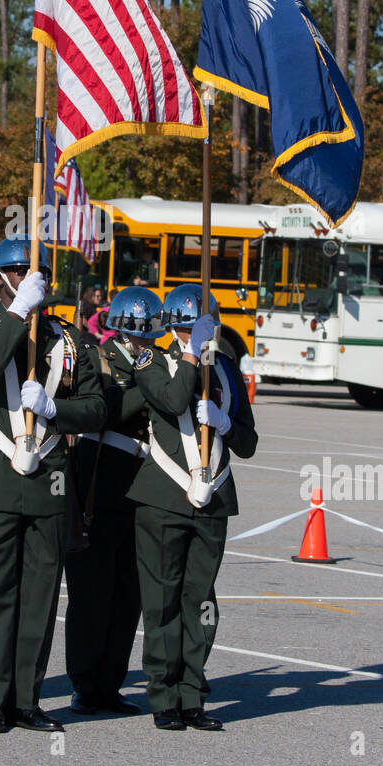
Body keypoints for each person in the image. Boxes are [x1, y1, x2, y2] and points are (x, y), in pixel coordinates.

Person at [0, 238, 106, 734]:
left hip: (49, 481)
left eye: (30, 270)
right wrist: (17, 312)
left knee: (40, 593)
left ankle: (26, 697)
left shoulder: (71, 339)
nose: (22, 275)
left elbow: (99, 408)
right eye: (13, 270)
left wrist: (57, 409)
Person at [128, 284, 257, 731]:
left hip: (214, 497)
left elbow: (249, 442)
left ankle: (192, 695)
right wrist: (189, 355)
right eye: (186, 329)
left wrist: (224, 423)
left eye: (201, 327)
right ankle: (164, 697)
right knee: (162, 598)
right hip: (164, 496)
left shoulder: (225, 369)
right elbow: (171, 399)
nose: (196, 335)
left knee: (200, 601)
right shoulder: (151, 360)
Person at [64, 286, 162, 717]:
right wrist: (151, 381)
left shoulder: (158, 361)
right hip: (100, 486)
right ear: (119, 328)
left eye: (150, 332)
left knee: (128, 594)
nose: (145, 339)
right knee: (93, 593)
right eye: (137, 331)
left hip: (145, 486)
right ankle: (85, 684)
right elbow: (109, 410)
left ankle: (111, 684)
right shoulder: (99, 360)